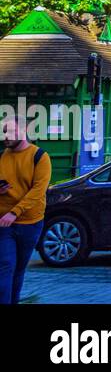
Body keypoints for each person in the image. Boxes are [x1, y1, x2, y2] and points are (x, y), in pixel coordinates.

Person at [0, 117, 51, 305]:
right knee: (5, 266)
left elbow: (38, 190)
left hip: (30, 223)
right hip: (4, 224)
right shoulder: (1, 157)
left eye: (10, 131)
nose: (5, 136)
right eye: (4, 131)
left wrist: (15, 212)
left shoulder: (40, 157)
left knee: (19, 269)